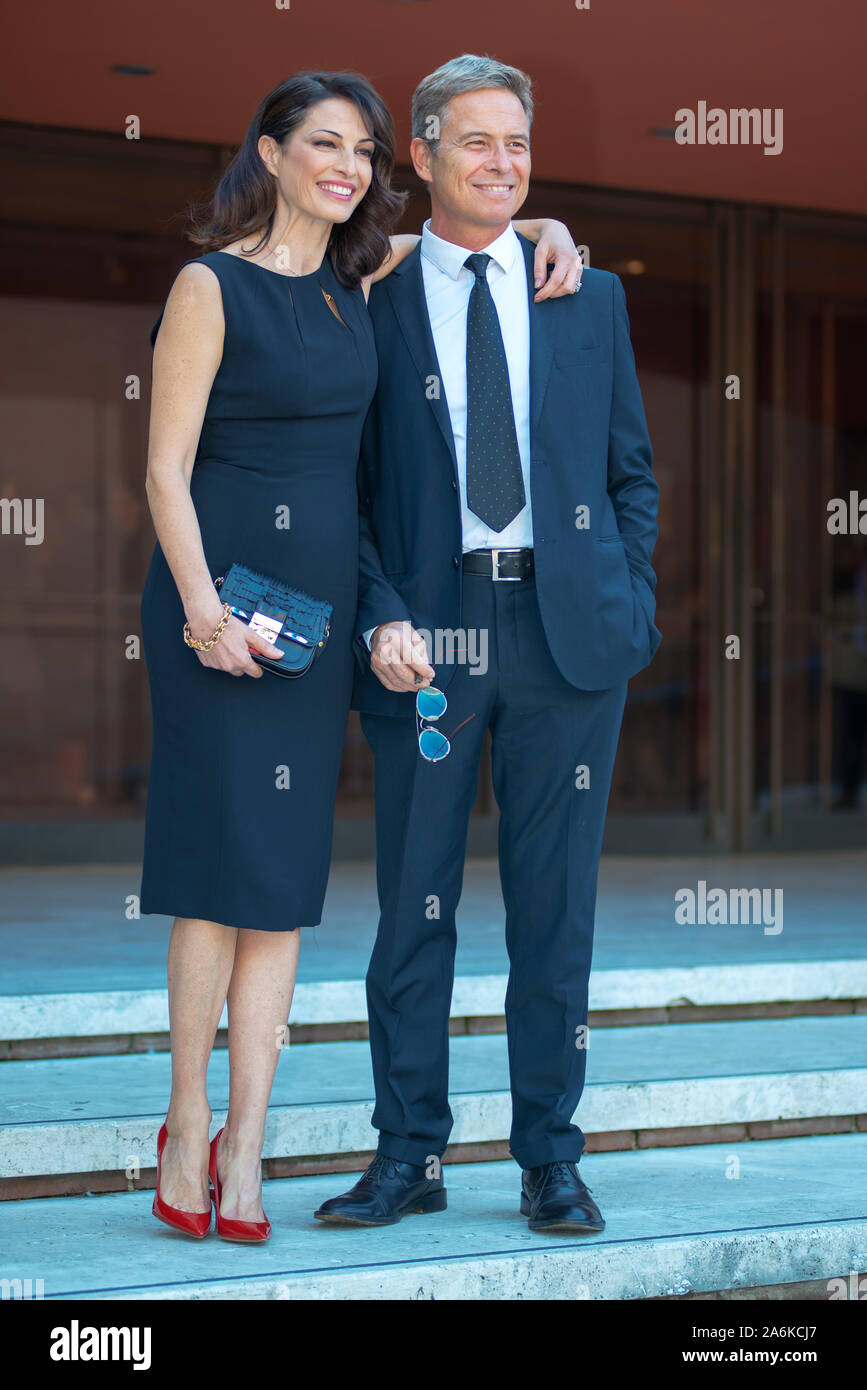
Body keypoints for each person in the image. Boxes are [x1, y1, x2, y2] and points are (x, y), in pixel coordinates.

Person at [139, 67, 581, 1241]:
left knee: (280, 890)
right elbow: (162, 470)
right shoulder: (209, 284)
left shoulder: (356, 284)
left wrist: (541, 218)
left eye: (364, 150)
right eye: (323, 143)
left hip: (313, 621)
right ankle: (188, 1126)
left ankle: (249, 1151)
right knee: (210, 878)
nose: (346, 166)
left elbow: (475, 234)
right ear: (271, 151)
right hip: (216, 605)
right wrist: (198, 611)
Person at [315, 54, 661, 1234]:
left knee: (555, 912)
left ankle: (550, 1157)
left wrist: (632, 598)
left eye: (517, 142)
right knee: (414, 901)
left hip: (568, 640)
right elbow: (348, 492)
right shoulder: (374, 293)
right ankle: (407, 1152)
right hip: (433, 636)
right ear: (421, 155)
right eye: (476, 142)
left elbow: (630, 471)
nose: (502, 163)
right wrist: (379, 613)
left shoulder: (586, 293)